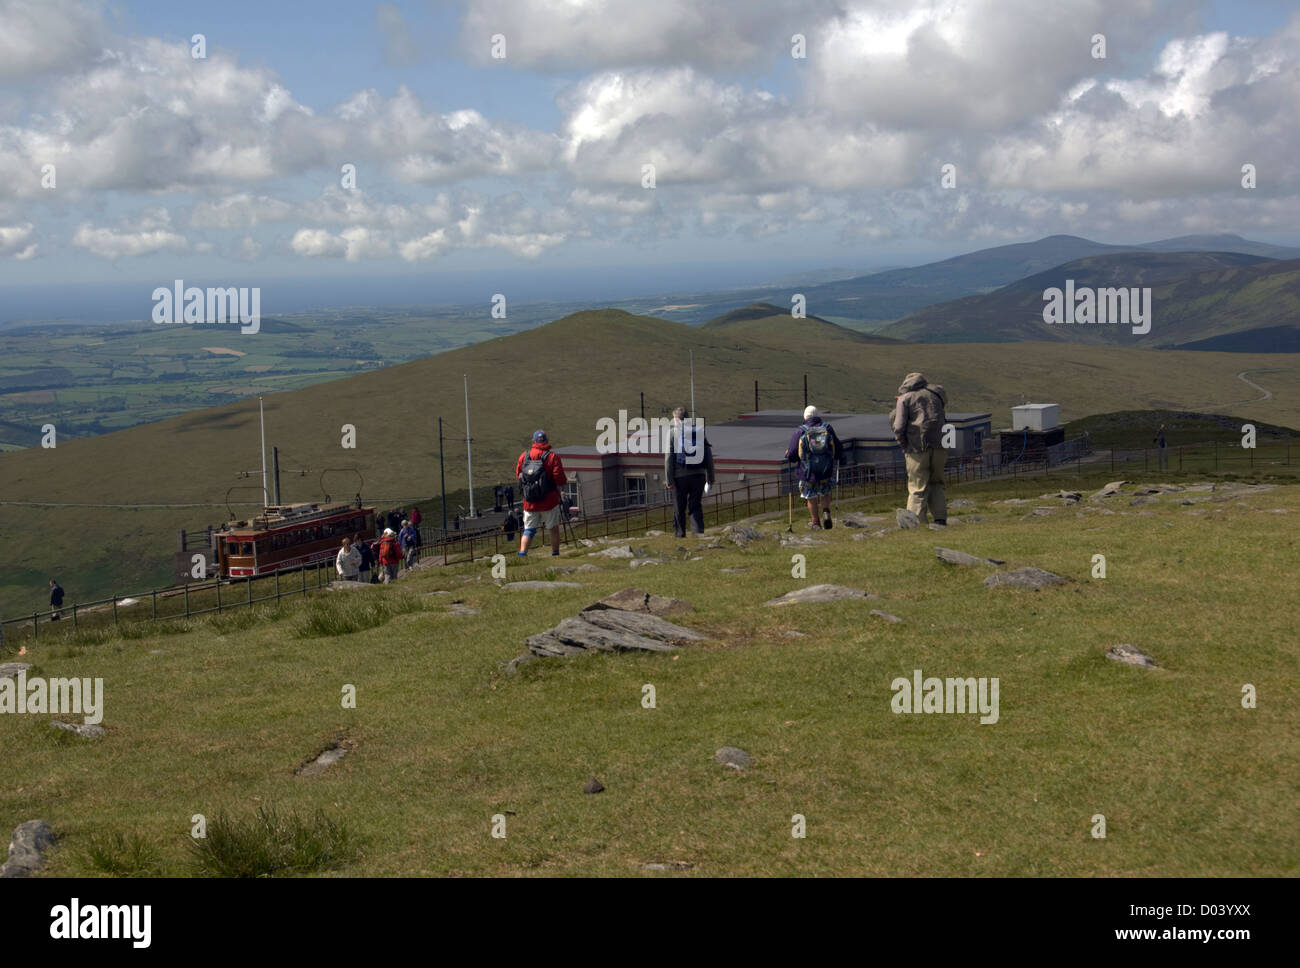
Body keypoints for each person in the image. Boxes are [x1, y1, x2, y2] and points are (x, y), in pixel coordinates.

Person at [892, 372, 948, 526]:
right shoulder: (937, 392)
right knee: (937, 482)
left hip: (917, 447)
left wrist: (904, 444)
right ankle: (940, 519)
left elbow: (898, 427)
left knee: (917, 485)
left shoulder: (905, 398)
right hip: (941, 443)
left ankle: (915, 522)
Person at [785, 406, 843, 529]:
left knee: (810, 496)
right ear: (817, 415)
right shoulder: (827, 428)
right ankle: (826, 511)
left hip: (807, 472)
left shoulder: (801, 431)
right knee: (825, 492)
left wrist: (788, 455)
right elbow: (837, 447)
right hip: (825, 470)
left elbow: (792, 454)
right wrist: (838, 456)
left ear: (805, 417)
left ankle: (815, 522)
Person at [515, 429, 568, 557]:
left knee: (528, 530)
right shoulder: (552, 457)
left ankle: (522, 554)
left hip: (529, 502)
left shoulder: (524, 456)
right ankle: (555, 553)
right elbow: (559, 478)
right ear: (547, 441)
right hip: (549, 501)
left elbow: (518, 475)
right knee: (553, 528)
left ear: (533, 441)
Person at [664, 406, 715, 537]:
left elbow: (669, 458)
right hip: (698, 475)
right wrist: (710, 475)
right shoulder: (698, 431)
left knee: (679, 507)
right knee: (695, 505)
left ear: (676, 418)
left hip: (680, 477)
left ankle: (680, 533)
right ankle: (698, 532)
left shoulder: (672, 433)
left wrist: (669, 480)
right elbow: (708, 453)